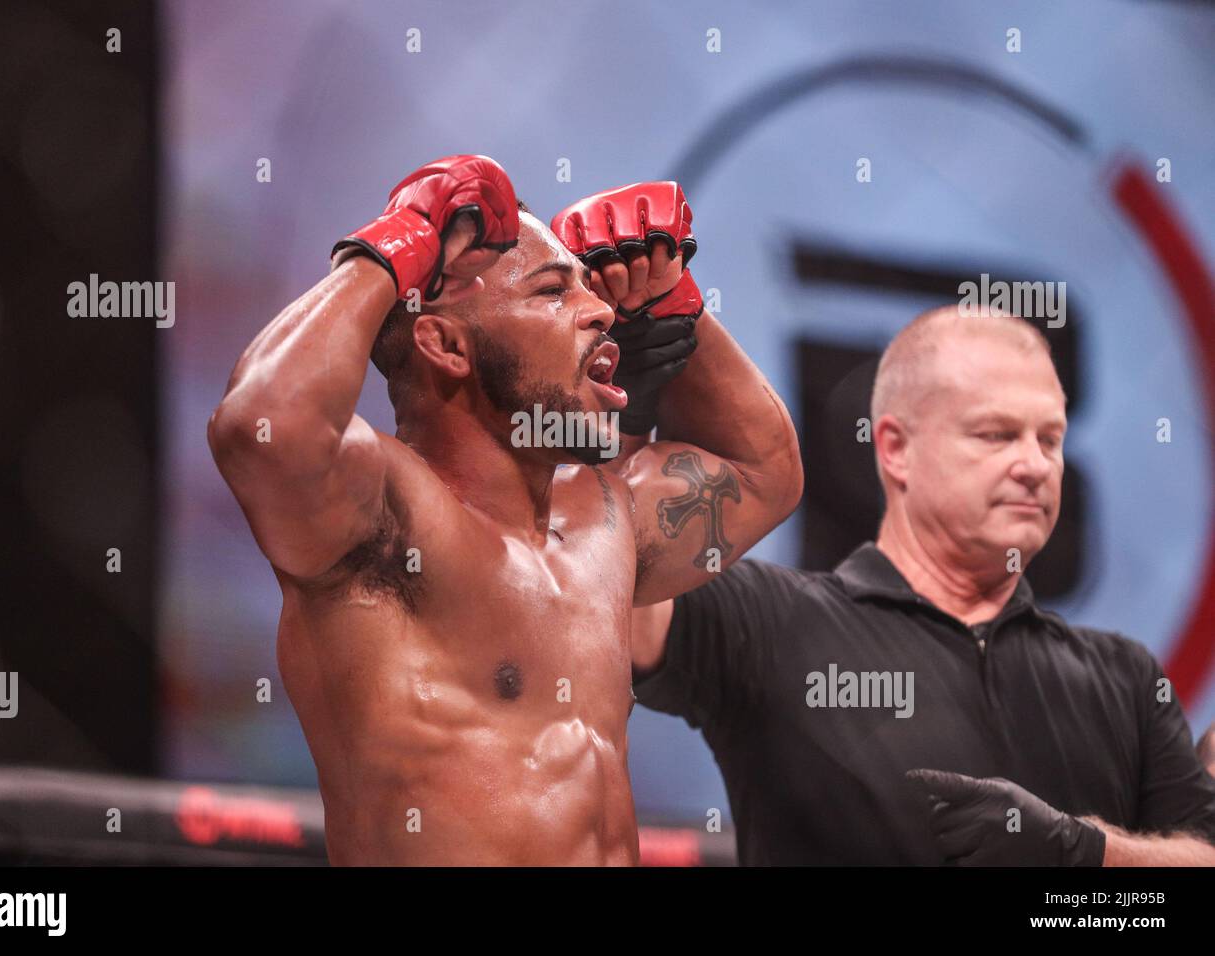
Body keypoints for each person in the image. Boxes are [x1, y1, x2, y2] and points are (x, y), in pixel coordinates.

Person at [207, 155, 802, 864]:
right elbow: (261, 427)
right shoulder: (383, 518)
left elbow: (765, 474)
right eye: (553, 291)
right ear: (446, 344)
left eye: (590, 290)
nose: (601, 312)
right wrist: (397, 244)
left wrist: (674, 302)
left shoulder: (601, 523)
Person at [631, 305, 1215, 865]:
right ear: (895, 448)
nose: (1035, 465)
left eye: (1051, 439)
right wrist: (620, 420)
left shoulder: (1126, 677)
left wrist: (1084, 854)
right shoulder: (768, 621)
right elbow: (612, 601)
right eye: (996, 434)